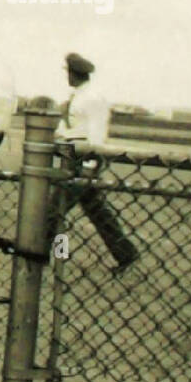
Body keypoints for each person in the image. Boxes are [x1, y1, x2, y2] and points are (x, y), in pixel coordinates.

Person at [55, 53, 138, 274]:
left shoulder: (92, 98)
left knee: (55, 208)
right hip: (73, 156)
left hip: (84, 159)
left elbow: (96, 136)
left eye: (69, 73)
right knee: (97, 211)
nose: (67, 77)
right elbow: (73, 129)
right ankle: (126, 253)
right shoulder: (78, 97)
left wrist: (89, 165)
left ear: (74, 74)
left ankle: (42, 253)